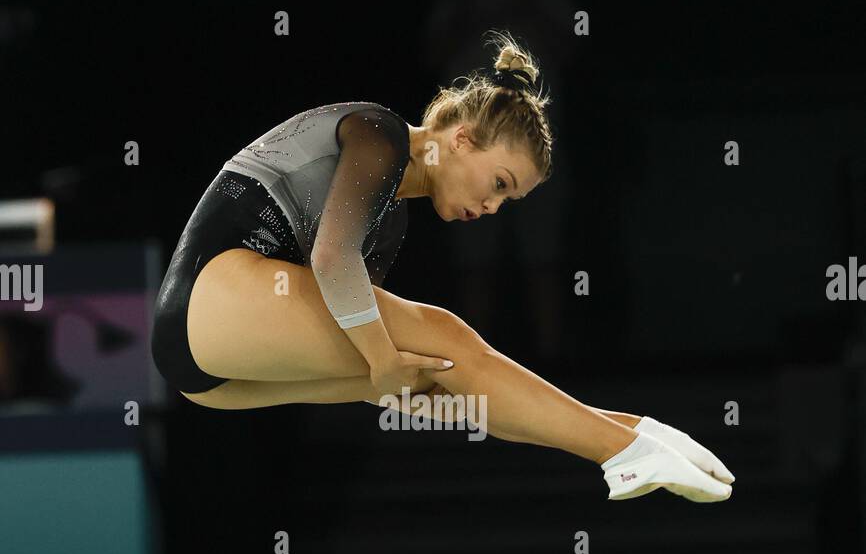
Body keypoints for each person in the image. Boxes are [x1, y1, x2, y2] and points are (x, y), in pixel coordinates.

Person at [150, 29, 734, 502]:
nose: (492, 207)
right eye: (499, 184)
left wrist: (396, 374)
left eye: (508, 201)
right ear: (459, 140)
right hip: (204, 300)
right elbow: (331, 261)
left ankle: (631, 433)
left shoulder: (391, 219)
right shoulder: (379, 135)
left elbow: (381, 356)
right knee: (444, 338)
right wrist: (381, 363)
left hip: (218, 377)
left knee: (439, 371)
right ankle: (621, 449)